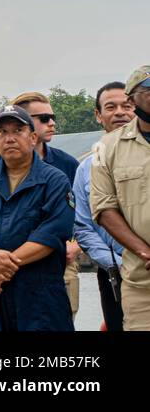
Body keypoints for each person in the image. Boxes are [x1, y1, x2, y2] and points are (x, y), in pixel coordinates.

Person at [0, 105, 76, 331]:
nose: (9, 138)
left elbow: (53, 232)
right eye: (2, 132)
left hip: (39, 295)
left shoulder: (54, 180)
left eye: (18, 130)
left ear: (33, 137)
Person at [91, 65, 150, 331]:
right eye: (149, 91)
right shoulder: (106, 148)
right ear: (132, 100)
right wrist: (144, 251)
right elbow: (103, 208)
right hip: (142, 281)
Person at [11, 90, 80, 318]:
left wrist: (76, 245)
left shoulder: (67, 164)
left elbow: (88, 212)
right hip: (7, 260)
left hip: (59, 261)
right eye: (43, 118)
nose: (51, 123)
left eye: (53, 117)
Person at [74, 81, 132, 331]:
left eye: (126, 105)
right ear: (98, 115)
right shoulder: (86, 168)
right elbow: (82, 226)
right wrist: (116, 263)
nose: (120, 112)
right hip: (112, 273)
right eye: (111, 106)